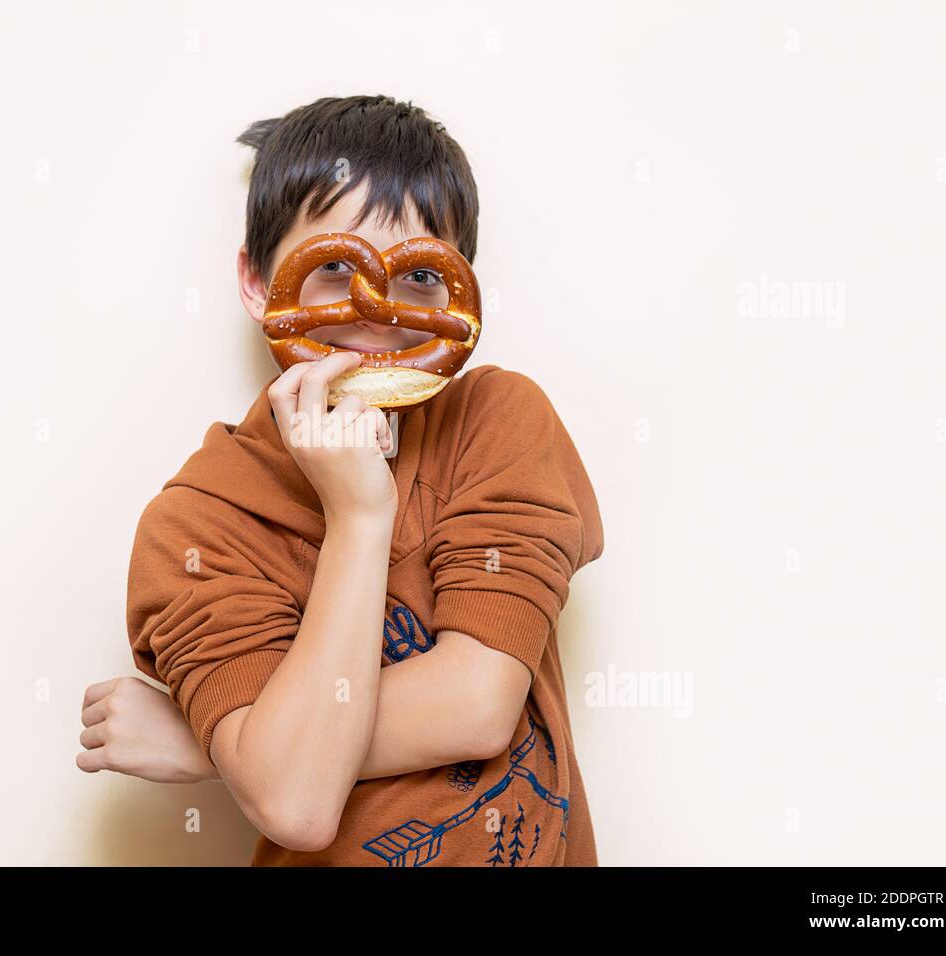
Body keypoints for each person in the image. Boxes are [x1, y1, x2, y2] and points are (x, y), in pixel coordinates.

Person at [77, 94, 604, 866]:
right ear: (256, 282)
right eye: (333, 268)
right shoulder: (197, 526)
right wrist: (358, 515)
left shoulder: (497, 419)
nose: (380, 315)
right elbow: (297, 805)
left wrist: (225, 751)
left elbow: (479, 703)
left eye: (419, 275)